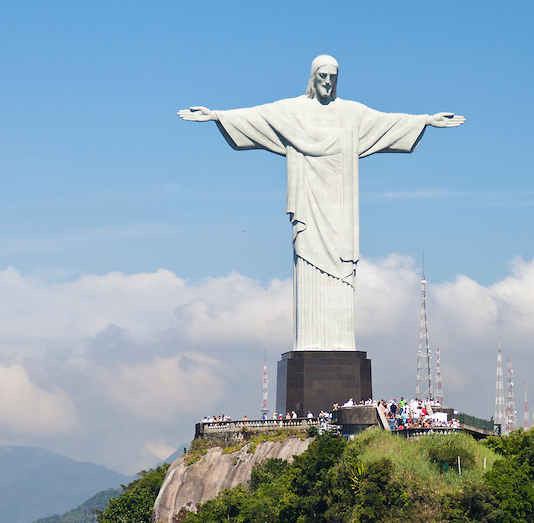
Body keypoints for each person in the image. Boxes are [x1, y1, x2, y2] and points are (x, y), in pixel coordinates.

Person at [179, 56, 464, 351]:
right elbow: (257, 117)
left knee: (342, 268)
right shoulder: (292, 111)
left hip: (341, 207)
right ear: (313, 78)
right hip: (308, 202)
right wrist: (216, 116)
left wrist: (426, 121)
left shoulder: (352, 114)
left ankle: (341, 344)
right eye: (323, 76)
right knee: (307, 257)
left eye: (333, 77)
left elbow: (386, 122)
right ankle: (310, 342)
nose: (328, 82)